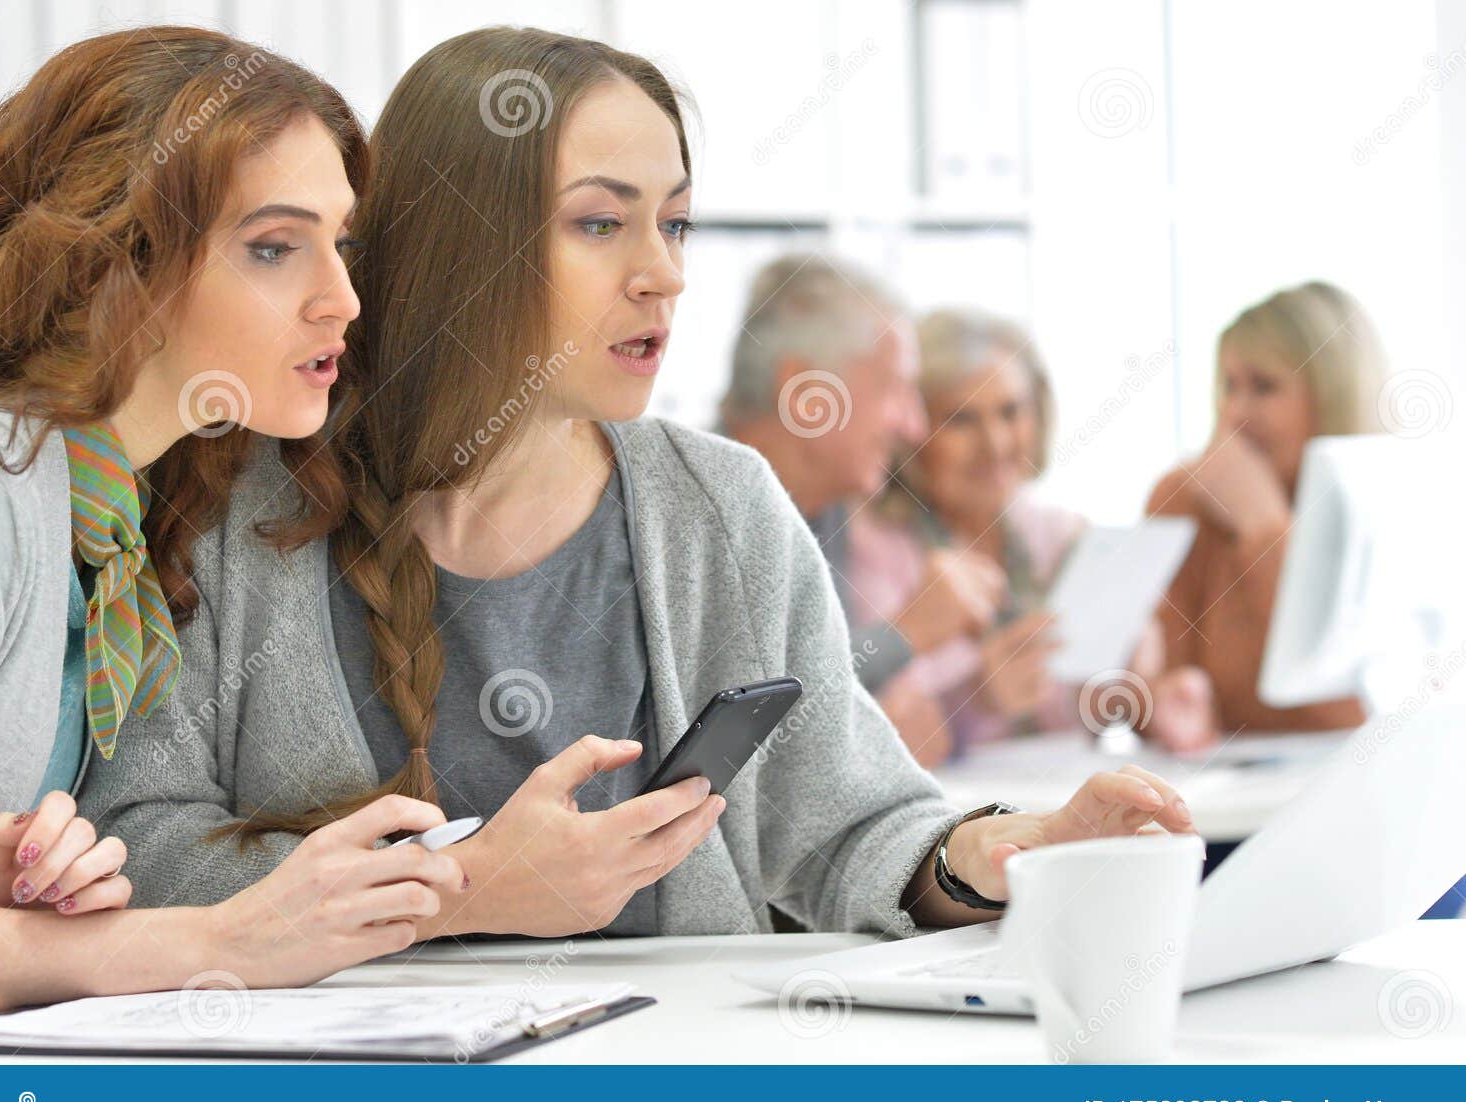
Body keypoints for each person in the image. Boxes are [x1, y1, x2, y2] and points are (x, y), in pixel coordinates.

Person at [83, 25, 1197, 943]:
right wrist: (463, 884)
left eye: (673, 223)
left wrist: (1000, 854)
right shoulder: (232, 505)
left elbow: (856, 832)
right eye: (601, 223)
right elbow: (141, 847)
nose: (662, 273)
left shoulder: (719, 506)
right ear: (455, 244)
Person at [0, 27, 462, 1019]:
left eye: (339, 243)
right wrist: (209, 943)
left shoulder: (100, 512)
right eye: (274, 248)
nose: (342, 300)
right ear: (115, 266)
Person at [720, 261, 1008, 765]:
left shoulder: (826, 510)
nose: (914, 426)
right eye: (895, 388)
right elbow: (734, 729)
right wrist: (903, 635)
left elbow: (811, 708)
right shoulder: (697, 511)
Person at [1144, 281, 1384, 743]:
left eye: (1264, 386)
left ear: (1333, 395)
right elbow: (1155, 688)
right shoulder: (1185, 500)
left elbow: (1363, 709)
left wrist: (1266, 533)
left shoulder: (1385, 504)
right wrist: (1163, 704)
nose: (1234, 412)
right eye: (1229, 386)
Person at [854, 309, 1088, 761]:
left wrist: (1148, 689)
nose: (996, 444)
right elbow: (884, 736)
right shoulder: (871, 551)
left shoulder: (1061, 536)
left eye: (1011, 411)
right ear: (911, 429)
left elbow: (1098, 702)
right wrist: (975, 699)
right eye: (961, 420)